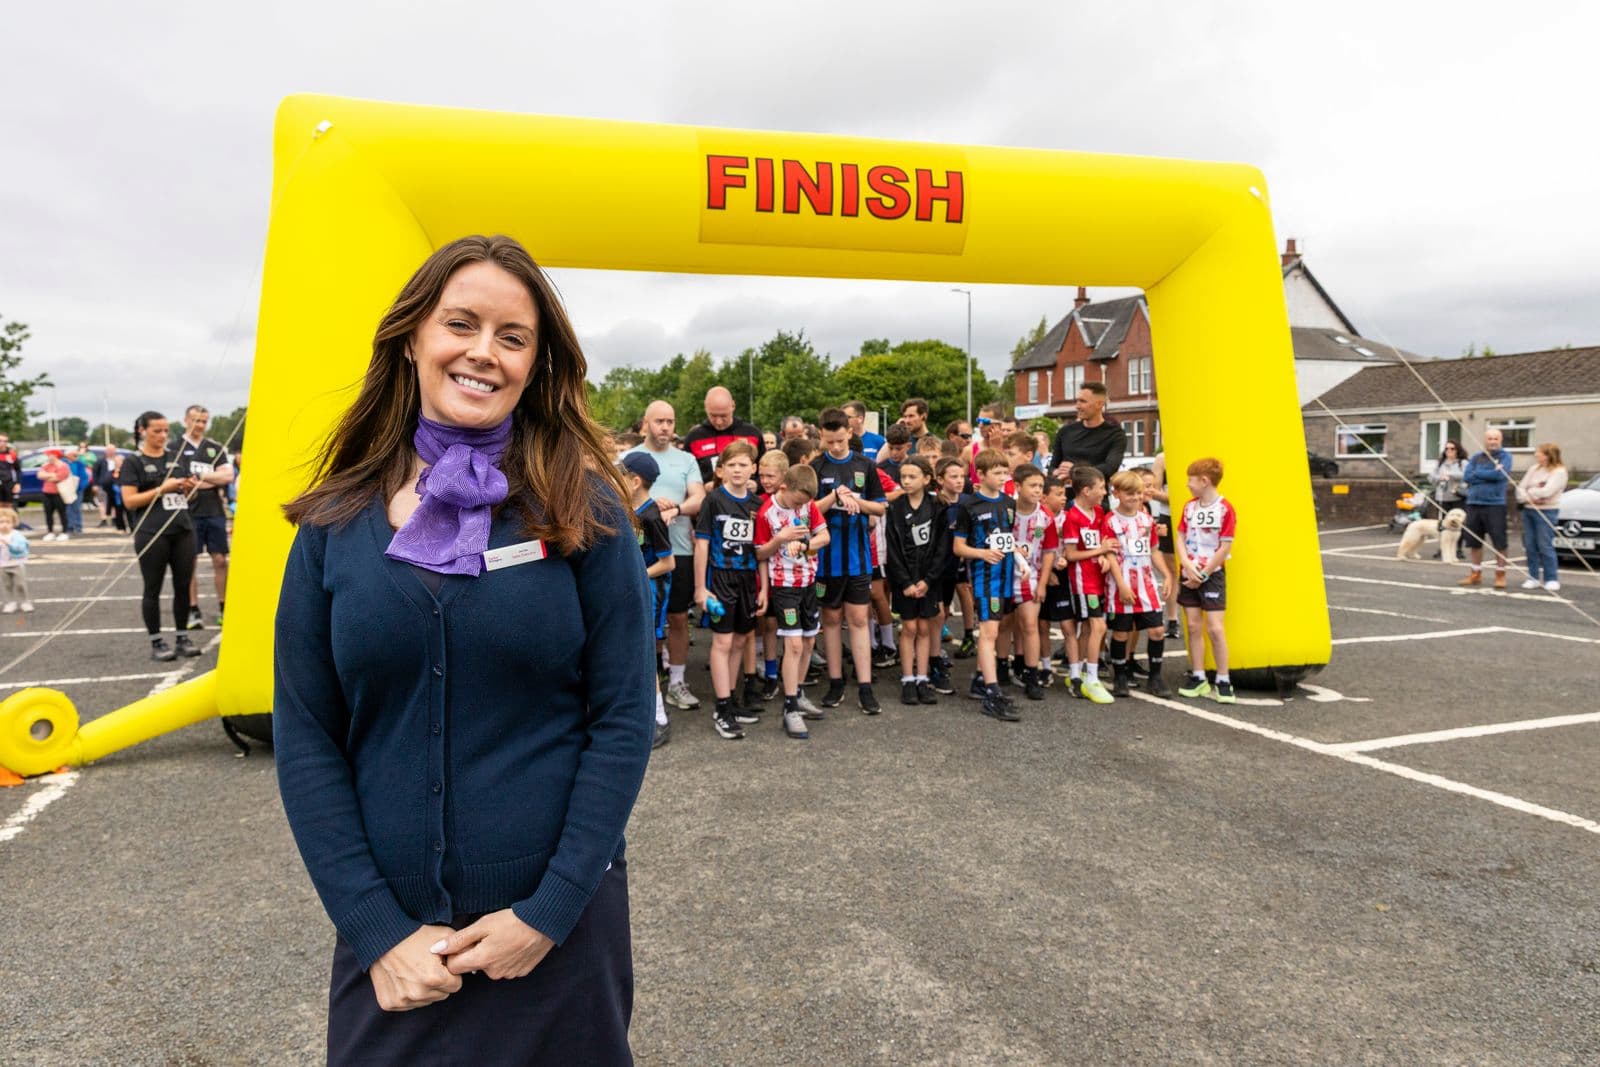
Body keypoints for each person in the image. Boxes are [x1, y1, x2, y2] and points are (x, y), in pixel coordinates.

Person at [273, 235, 652, 1063]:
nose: (484, 352)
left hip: (555, 939)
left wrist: (547, 913)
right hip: (397, 952)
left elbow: (623, 717)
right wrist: (377, 930)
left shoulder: (585, 508)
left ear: (536, 362)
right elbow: (306, 737)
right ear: (413, 336)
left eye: (512, 336)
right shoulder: (334, 522)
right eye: (461, 323)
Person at [624, 401, 705, 714]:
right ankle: (651, 685)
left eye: (670, 421)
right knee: (645, 624)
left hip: (679, 549)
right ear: (645, 423)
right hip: (640, 555)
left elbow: (698, 498)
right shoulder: (627, 460)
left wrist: (674, 509)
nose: (665, 427)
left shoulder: (685, 459)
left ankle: (677, 682)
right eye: (659, 421)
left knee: (678, 618)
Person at [811, 406, 886, 715]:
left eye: (840, 440)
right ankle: (835, 680)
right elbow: (806, 510)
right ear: (821, 437)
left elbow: (880, 509)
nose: (836, 447)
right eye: (829, 441)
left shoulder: (865, 466)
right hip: (826, 560)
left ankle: (865, 685)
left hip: (858, 559)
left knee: (858, 619)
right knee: (830, 620)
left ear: (850, 433)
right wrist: (833, 499)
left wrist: (857, 501)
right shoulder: (815, 467)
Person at [695, 440, 765, 740]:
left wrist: (763, 588)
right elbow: (702, 544)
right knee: (722, 643)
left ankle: (732, 699)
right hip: (721, 577)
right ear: (721, 470)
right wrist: (700, 588)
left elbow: (761, 549)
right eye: (732, 465)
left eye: (743, 464)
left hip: (748, 579)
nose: (738, 470)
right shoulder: (713, 501)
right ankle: (722, 708)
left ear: (754, 469)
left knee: (740, 640)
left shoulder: (757, 505)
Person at [754, 464, 830, 738]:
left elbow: (824, 535)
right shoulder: (767, 512)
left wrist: (808, 544)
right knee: (794, 643)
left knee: (809, 640)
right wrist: (781, 539)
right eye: (797, 501)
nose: (801, 506)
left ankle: (797, 692)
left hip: (809, 582)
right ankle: (789, 708)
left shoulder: (809, 507)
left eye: (805, 503)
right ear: (784, 488)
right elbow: (761, 553)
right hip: (784, 585)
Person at [120, 413, 201, 661]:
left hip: (182, 529)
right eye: (157, 431)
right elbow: (130, 501)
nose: (163, 436)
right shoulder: (133, 462)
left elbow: (191, 497)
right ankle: (156, 641)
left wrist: (190, 488)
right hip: (151, 532)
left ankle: (181, 637)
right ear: (143, 431)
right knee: (152, 588)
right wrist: (160, 489)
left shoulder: (176, 459)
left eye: (166, 430)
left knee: (183, 585)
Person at [951, 450, 1018, 721]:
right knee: (989, 633)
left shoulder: (1009, 503)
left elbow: (1008, 539)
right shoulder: (969, 505)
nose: (1003, 478)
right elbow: (958, 547)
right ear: (981, 474)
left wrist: (1022, 563)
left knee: (999, 628)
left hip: (1006, 576)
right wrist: (982, 554)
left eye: (1005, 472)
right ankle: (992, 693)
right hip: (984, 578)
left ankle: (981, 680)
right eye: (997, 473)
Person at [620, 451, 677, 749]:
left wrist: (635, 573)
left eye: (620, 474)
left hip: (651, 594)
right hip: (633, 591)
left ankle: (659, 719)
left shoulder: (652, 516)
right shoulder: (626, 509)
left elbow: (668, 563)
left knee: (645, 655)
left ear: (635, 481)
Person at [1104, 470, 1174, 696]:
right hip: (1121, 585)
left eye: (1138, 493)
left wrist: (1167, 575)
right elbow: (1111, 555)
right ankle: (1121, 676)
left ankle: (1155, 677)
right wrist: (1121, 585)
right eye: (1129, 493)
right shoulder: (1110, 521)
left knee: (1157, 630)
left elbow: (1153, 549)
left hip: (1146, 584)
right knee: (1121, 633)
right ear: (1116, 493)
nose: (1134, 497)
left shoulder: (1146, 520)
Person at [1175, 457, 1237, 703]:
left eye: (1190, 480)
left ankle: (1223, 679)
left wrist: (1203, 573)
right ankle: (1198, 675)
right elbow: (1180, 536)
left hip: (1211, 574)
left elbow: (1225, 546)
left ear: (1204, 481)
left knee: (1214, 627)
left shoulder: (1225, 508)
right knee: (1192, 625)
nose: (1188, 484)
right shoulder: (1189, 507)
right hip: (1188, 572)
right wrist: (1188, 566)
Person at [885, 457, 947, 706]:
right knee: (909, 628)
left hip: (928, 580)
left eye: (912, 477)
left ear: (926, 479)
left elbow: (942, 548)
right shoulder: (896, 507)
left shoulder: (938, 506)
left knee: (924, 628)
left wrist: (928, 580)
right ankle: (907, 679)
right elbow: (892, 548)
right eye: (903, 477)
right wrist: (906, 582)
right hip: (905, 581)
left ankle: (922, 677)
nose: (907, 481)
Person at [166, 405, 235, 628]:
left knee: (220, 560)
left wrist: (202, 477)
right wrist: (209, 479)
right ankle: (193, 609)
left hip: (214, 510)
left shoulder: (214, 447)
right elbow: (181, 480)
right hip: (188, 512)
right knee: (189, 562)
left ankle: (224, 607)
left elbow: (228, 476)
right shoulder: (175, 447)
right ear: (186, 420)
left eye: (204, 421)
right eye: (196, 420)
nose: (200, 425)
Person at [1060, 466, 1117, 704]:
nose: (1105, 492)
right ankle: (1092, 678)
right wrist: (1100, 551)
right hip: (1083, 581)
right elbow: (1071, 554)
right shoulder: (1072, 517)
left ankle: (1081, 672)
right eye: (1101, 487)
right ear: (1086, 490)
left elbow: (1103, 542)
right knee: (1098, 626)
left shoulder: (1099, 512)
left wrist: (1103, 556)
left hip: (1098, 578)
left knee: (1088, 628)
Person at [1008, 463, 1058, 702]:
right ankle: (1000, 666)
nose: (1038, 490)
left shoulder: (1044, 516)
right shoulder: (1007, 509)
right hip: (1005, 573)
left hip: (1032, 575)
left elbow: (1048, 549)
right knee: (1004, 624)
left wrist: (1042, 583)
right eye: (1033, 485)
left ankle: (1031, 673)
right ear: (1018, 486)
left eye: (1041, 485)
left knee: (1030, 624)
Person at [1460, 428, 1513, 590]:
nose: (1492, 442)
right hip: (1474, 503)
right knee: (1474, 541)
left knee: (1499, 541)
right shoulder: (1476, 457)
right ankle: (1475, 573)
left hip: (1495, 504)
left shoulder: (1505, 456)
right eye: (1489, 438)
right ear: (1485, 440)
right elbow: (1467, 476)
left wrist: (1479, 474)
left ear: (1500, 440)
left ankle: (1500, 574)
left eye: (1495, 439)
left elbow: (1500, 476)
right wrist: (1488, 472)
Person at [682, 386, 764, 485]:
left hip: (746, 496)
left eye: (723, 416)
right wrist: (701, 488)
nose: (719, 421)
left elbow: (766, 470)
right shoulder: (694, 438)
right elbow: (684, 475)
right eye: (713, 415)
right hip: (708, 497)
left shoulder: (752, 433)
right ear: (705, 407)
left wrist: (757, 485)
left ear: (733, 406)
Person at [1516, 442, 1567, 592]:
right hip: (1529, 510)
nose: (1536, 455)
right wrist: (1529, 496)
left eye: (1539, 452)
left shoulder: (1559, 472)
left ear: (1547, 455)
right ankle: (1533, 577)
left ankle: (1551, 578)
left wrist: (1529, 493)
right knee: (1530, 545)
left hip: (1547, 511)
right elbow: (1520, 488)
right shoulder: (1534, 469)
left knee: (1545, 545)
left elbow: (1547, 492)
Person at [1050, 382, 1125, 483]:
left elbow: (1110, 468)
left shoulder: (1115, 435)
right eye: (1077, 401)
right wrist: (1057, 472)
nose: (1077, 406)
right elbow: (1052, 467)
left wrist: (1075, 471)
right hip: (1064, 496)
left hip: (1096, 496)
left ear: (1099, 404)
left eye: (1083, 401)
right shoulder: (1065, 431)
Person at [1431, 440, 1468, 536]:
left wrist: (1450, 474)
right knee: (1444, 523)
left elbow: (1466, 475)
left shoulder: (1463, 463)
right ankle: (1443, 547)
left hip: (1457, 496)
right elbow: (1431, 477)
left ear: (1457, 450)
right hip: (1443, 496)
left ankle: (1458, 547)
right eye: (1447, 448)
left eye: (1452, 448)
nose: (1449, 450)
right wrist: (1440, 477)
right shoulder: (1440, 463)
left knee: (1458, 523)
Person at [0, 507, 33, 613]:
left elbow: (21, 548)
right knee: (6, 585)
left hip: (16, 563)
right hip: (2, 565)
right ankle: (10, 603)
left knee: (20, 584)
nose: (4, 524)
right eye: (1, 522)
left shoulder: (17, 535)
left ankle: (24, 602)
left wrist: (10, 544)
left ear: (13, 523)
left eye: (8, 522)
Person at [93, 443, 122, 528]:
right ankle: (103, 519)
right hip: (102, 485)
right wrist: (95, 484)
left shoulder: (118, 460)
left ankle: (114, 518)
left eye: (112, 450)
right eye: (109, 450)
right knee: (102, 502)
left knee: (114, 502)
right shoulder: (100, 461)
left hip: (115, 485)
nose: (110, 452)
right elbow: (95, 473)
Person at [63, 446, 91, 535]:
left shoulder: (80, 463)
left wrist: (81, 486)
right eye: (73, 454)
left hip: (78, 490)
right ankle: (69, 527)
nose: (75, 456)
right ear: (68, 455)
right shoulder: (63, 463)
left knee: (76, 508)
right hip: (67, 489)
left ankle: (78, 527)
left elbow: (84, 477)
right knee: (68, 508)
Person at [0, 434, 18, 506]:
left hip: (8, 484)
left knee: (9, 506)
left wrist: (17, 484)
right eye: (0, 441)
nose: (3, 443)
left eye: (5, 441)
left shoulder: (11, 454)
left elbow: (18, 470)